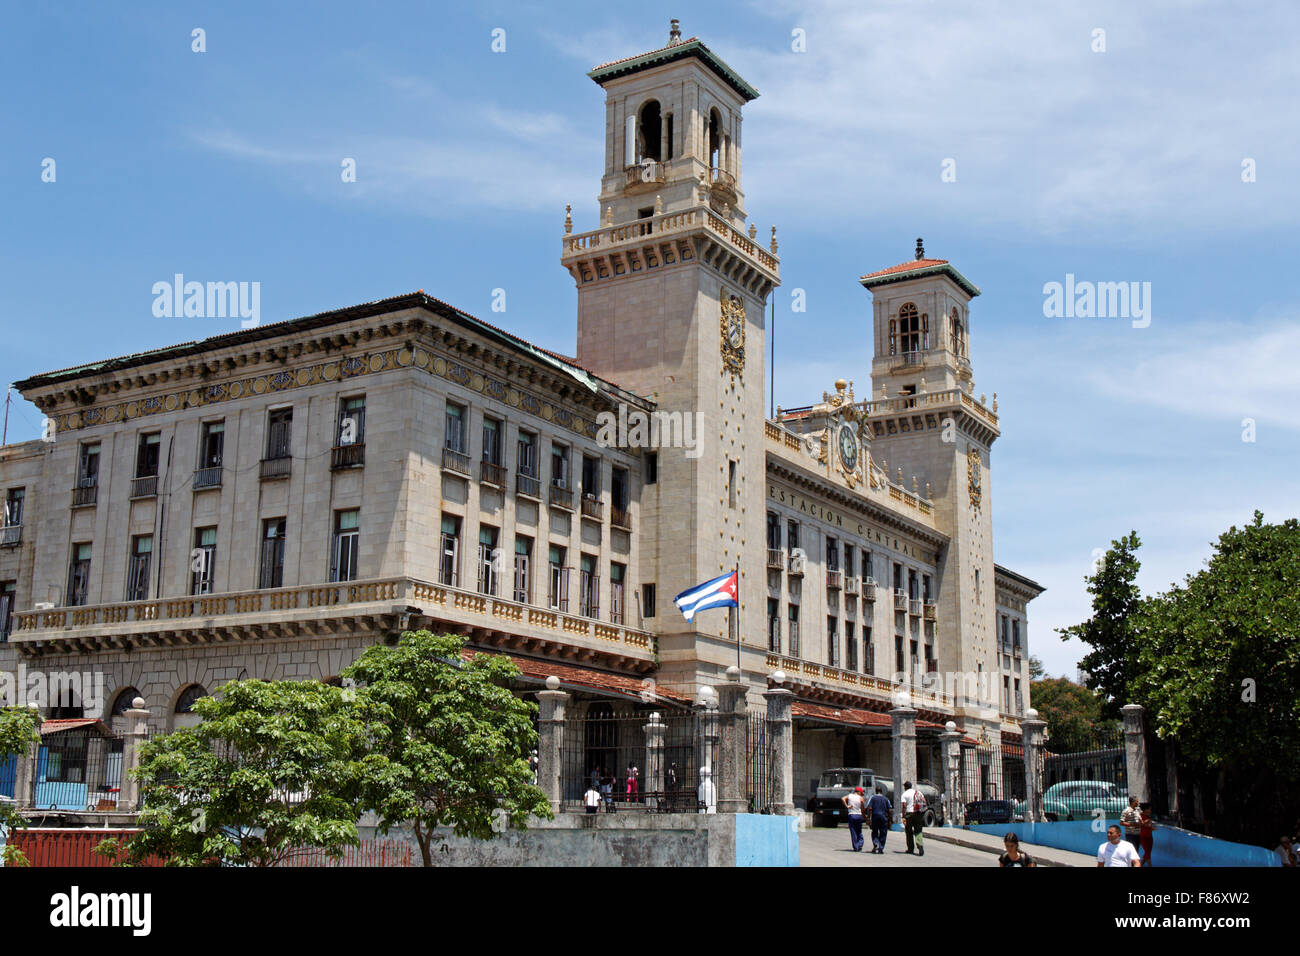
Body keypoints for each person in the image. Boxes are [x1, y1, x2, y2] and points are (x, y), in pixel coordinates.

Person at [901, 781, 926, 856]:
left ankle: (910, 848)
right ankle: (920, 846)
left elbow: (904, 806)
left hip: (909, 814)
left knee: (908, 831)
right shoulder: (918, 792)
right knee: (918, 831)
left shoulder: (904, 794)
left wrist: (904, 816)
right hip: (918, 813)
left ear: (905, 787)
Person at [866, 786, 892, 854]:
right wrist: (890, 820)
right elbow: (889, 810)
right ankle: (881, 847)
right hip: (884, 817)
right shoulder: (886, 799)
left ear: (876, 791)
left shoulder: (872, 798)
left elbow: (870, 808)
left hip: (875, 816)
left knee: (874, 831)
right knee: (883, 832)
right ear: (881, 791)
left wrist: (868, 818)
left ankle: (876, 843)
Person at [841, 786, 867, 852]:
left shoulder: (849, 796)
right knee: (859, 831)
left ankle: (856, 847)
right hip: (858, 815)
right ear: (858, 792)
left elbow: (843, 798)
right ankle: (860, 844)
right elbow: (863, 809)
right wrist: (864, 816)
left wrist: (847, 806)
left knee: (853, 831)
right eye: (861, 793)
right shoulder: (861, 798)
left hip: (851, 815)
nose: (861, 794)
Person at [1138, 803, 1155, 867]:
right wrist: (1148, 823)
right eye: (1149, 809)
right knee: (1147, 853)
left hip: (1149, 836)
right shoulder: (1141, 816)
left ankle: (1140, 865)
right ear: (1145, 810)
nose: (1150, 810)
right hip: (1143, 837)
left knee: (1147, 853)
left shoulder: (1148, 817)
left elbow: (1149, 826)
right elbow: (1140, 824)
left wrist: (1151, 827)